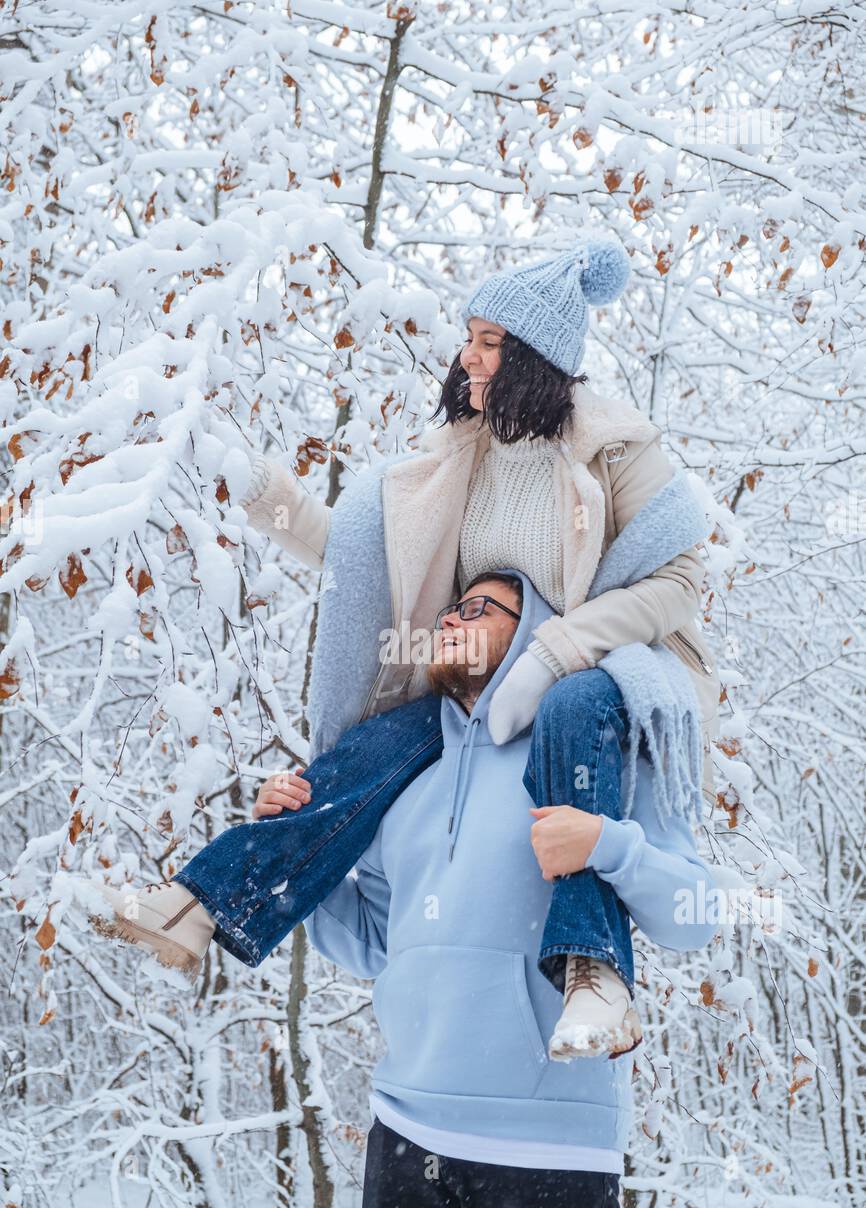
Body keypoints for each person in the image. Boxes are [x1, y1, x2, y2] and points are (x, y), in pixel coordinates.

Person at [82, 235, 720, 1058]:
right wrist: (254, 490)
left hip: (595, 670)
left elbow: (678, 581)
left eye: (491, 342)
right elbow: (368, 558)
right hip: (474, 675)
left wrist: (557, 651)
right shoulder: (463, 455)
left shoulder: (616, 447)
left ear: (536, 356)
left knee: (571, 706)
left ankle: (594, 976)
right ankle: (203, 903)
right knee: (374, 746)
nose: (469, 357)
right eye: (471, 337)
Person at [299, 569, 718, 1208]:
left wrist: (606, 845)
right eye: (450, 608)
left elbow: (697, 916)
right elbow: (370, 942)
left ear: (534, 635)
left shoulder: (591, 758)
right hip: (406, 1134)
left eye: (481, 608)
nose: (453, 619)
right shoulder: (410, 772)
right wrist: (301, 863)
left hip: (551, 1146)